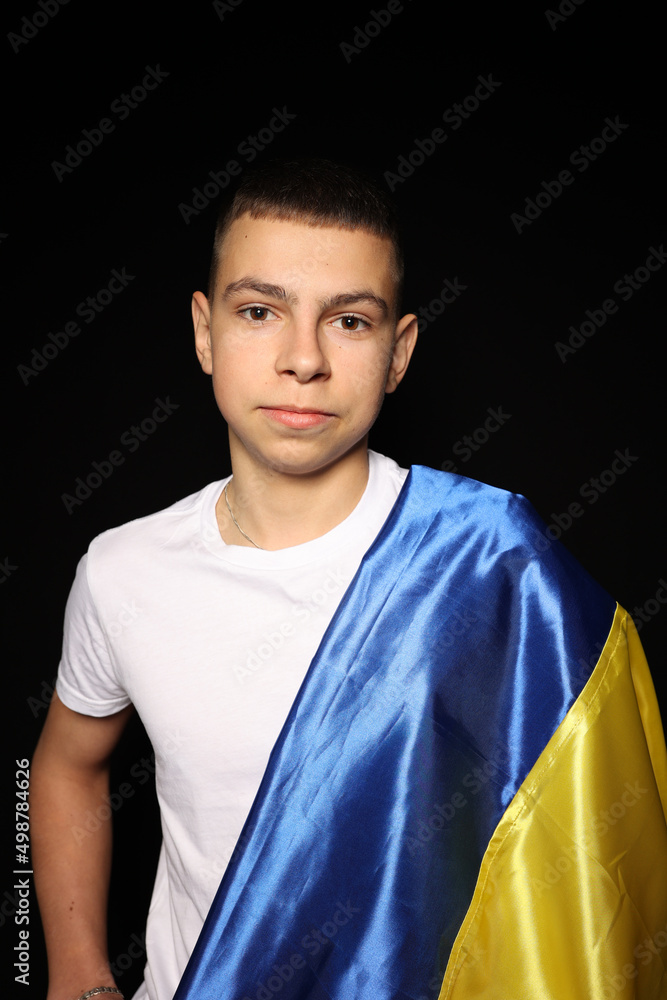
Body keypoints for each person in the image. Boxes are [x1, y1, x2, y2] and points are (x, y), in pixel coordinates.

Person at [31, 159, 667, 1000]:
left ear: (398, 353)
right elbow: (60, 766)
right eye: (259, 312)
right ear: (204, 332)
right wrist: (72, 970)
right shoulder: (122, 571)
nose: (303, 359)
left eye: (349, 322)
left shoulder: (490, 565)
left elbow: (583, 850)